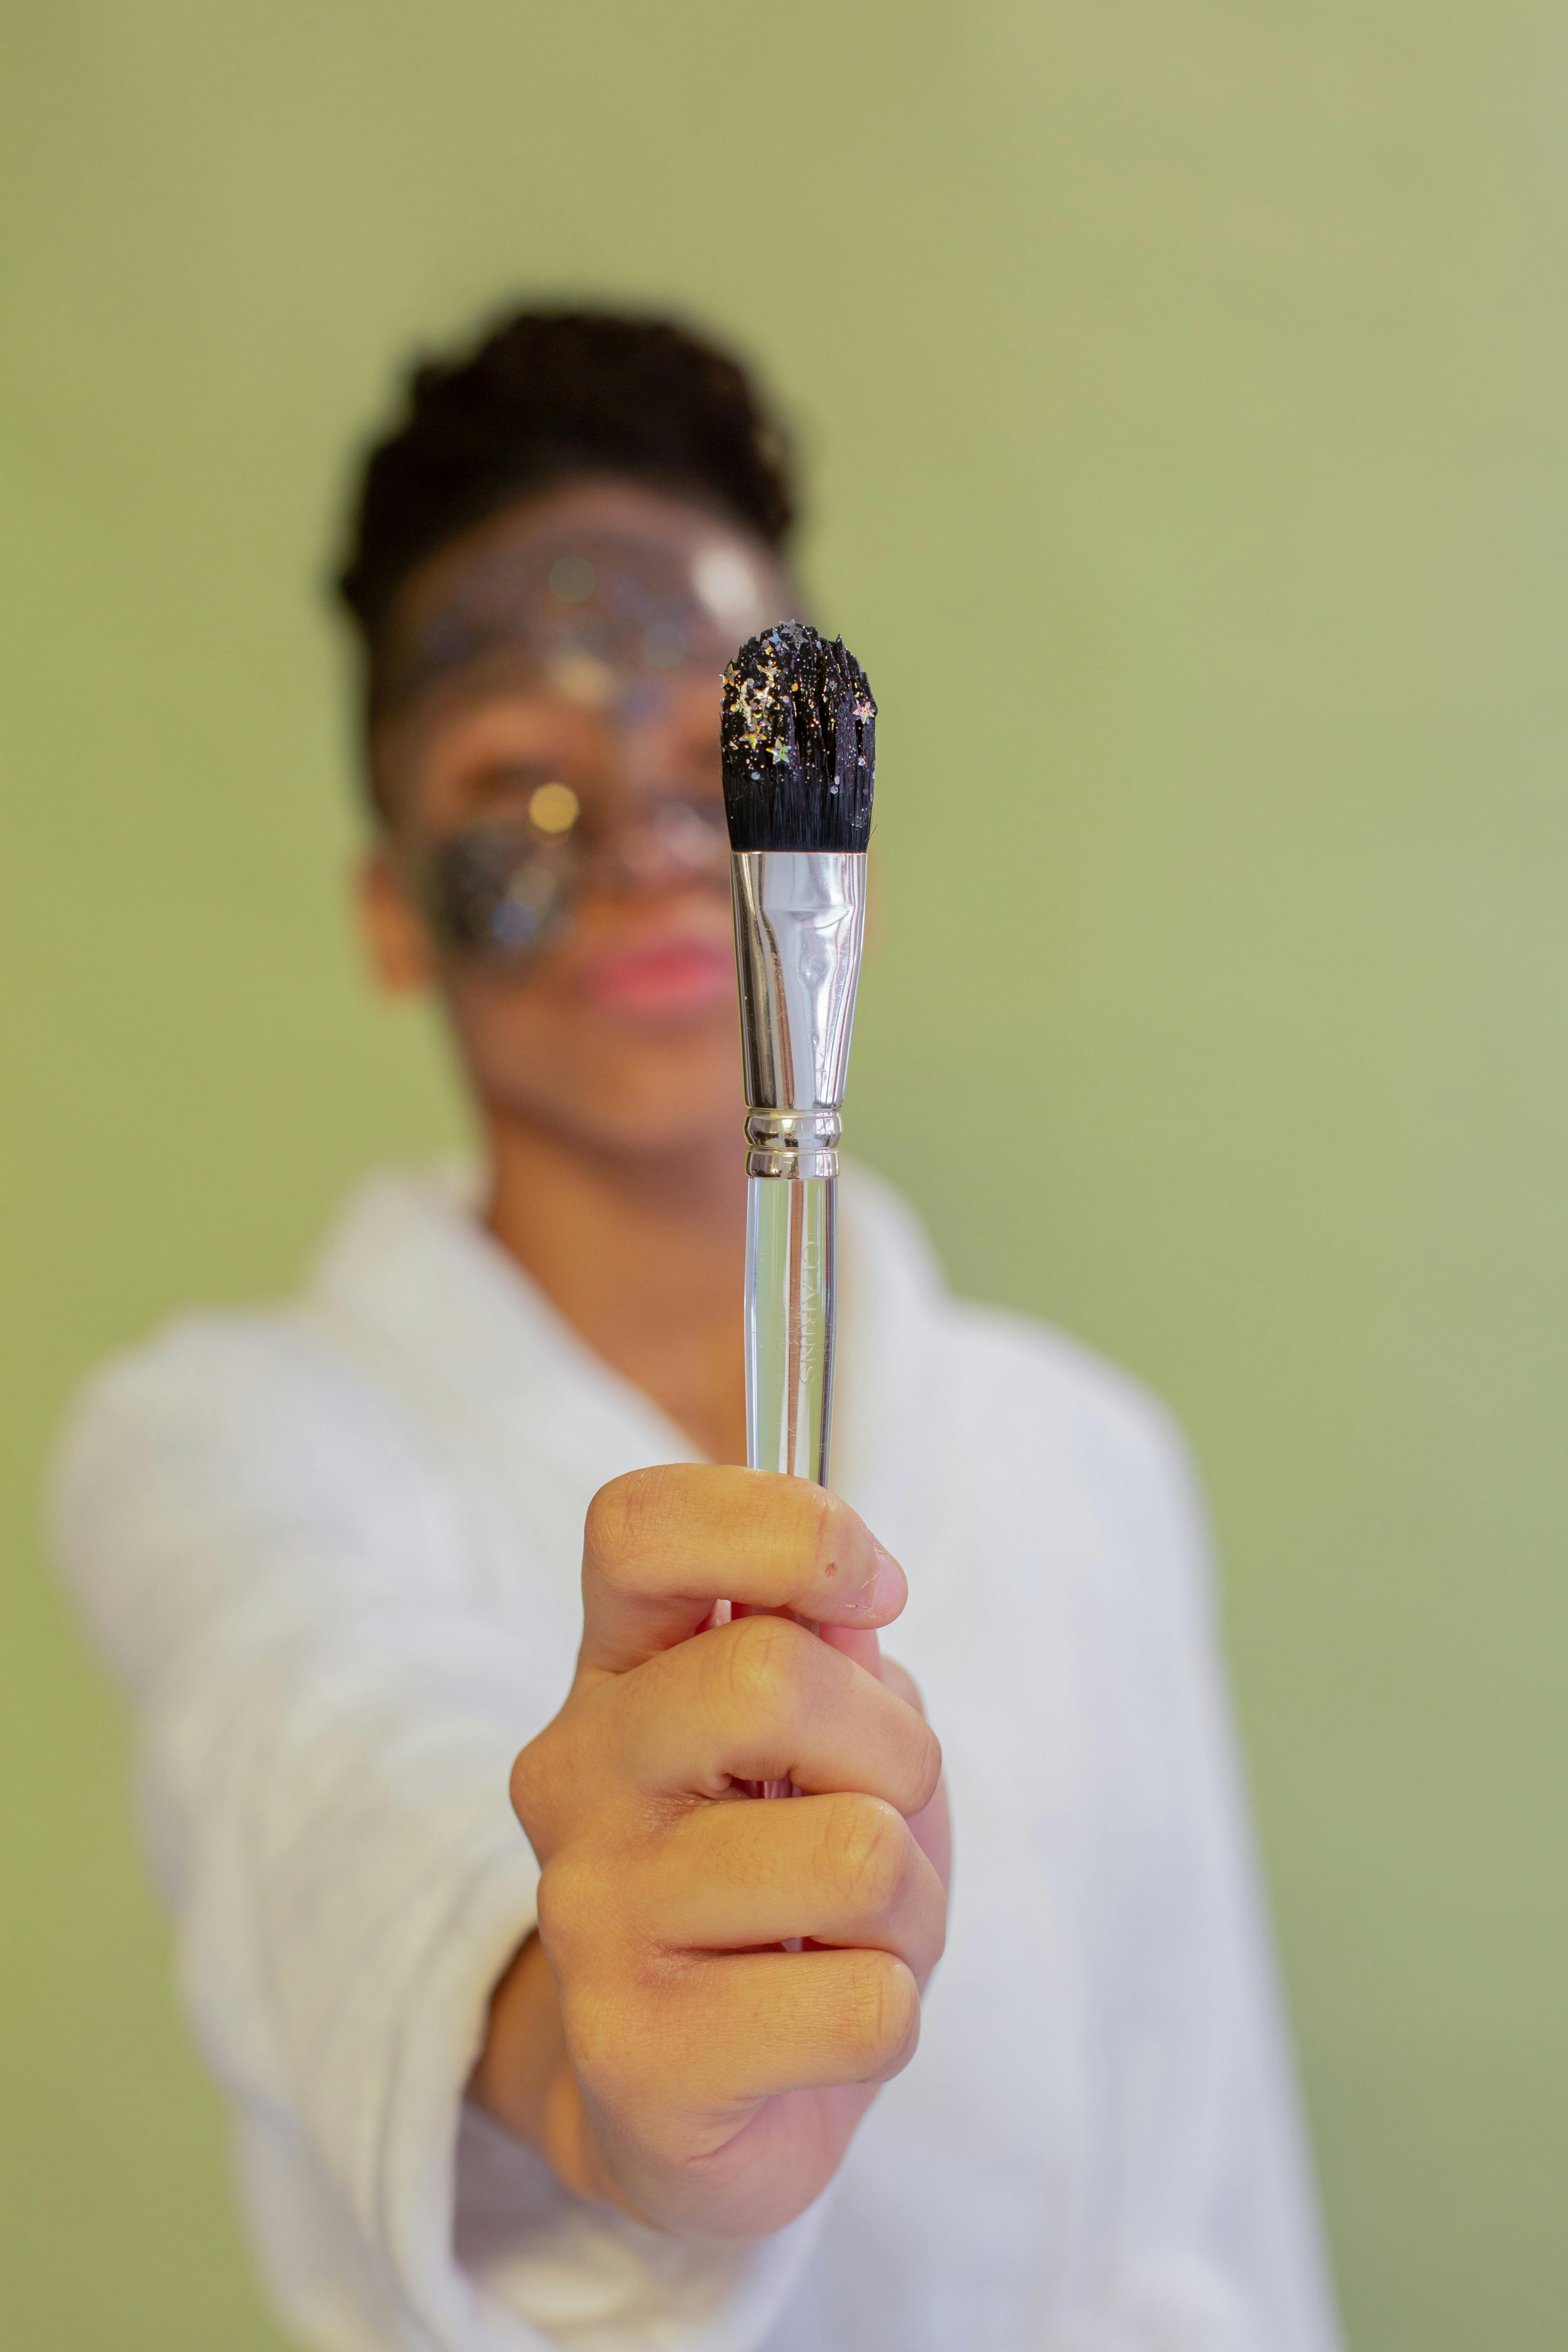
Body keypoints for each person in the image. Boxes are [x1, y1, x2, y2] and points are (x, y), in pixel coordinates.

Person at [53, 307, 1341, 2352]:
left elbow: (1210, 2201)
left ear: (844, 854)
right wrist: (589, 2070)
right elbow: (331, 1782)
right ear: (389, 908)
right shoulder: (218, 1445)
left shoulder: (1088, 1461)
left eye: (709, 769)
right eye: (521, 784)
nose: (653, 850)